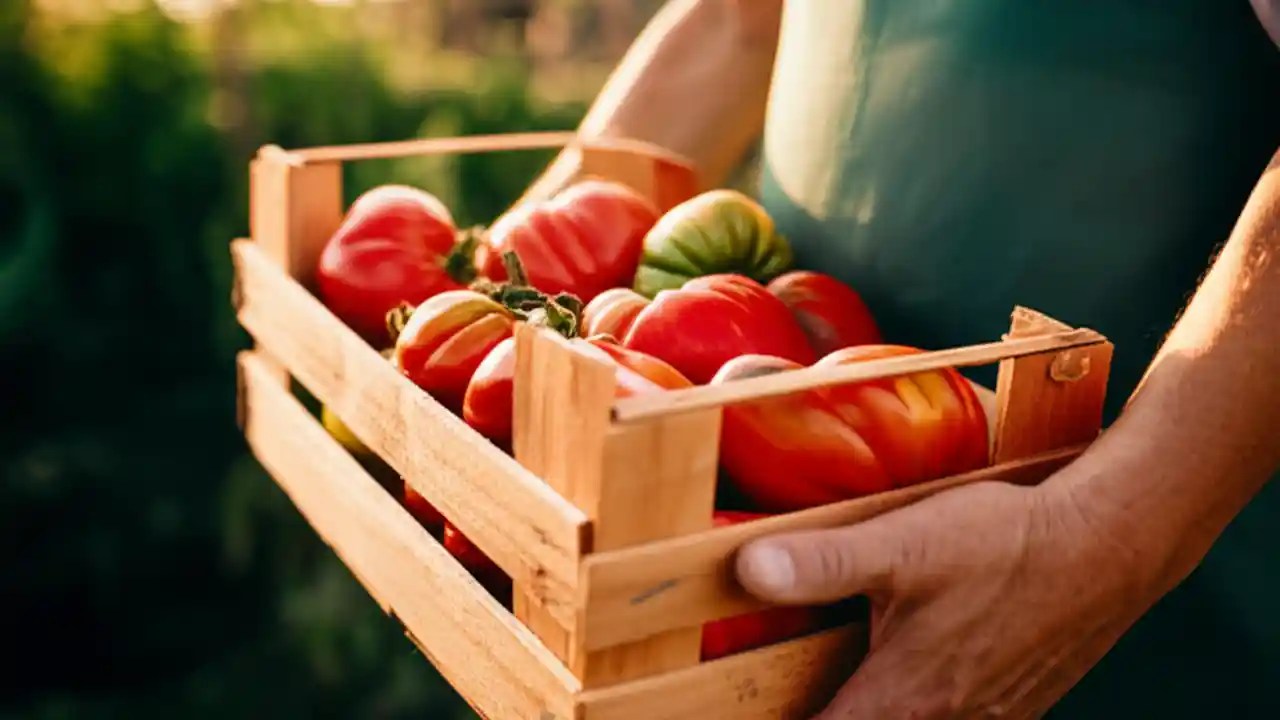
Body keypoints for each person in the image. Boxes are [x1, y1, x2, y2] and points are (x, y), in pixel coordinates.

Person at [524, 1, 1280, 717]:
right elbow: (738, 18)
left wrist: (1110, 537)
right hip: (786, 478)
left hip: (1150, 571)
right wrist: (507, 277)